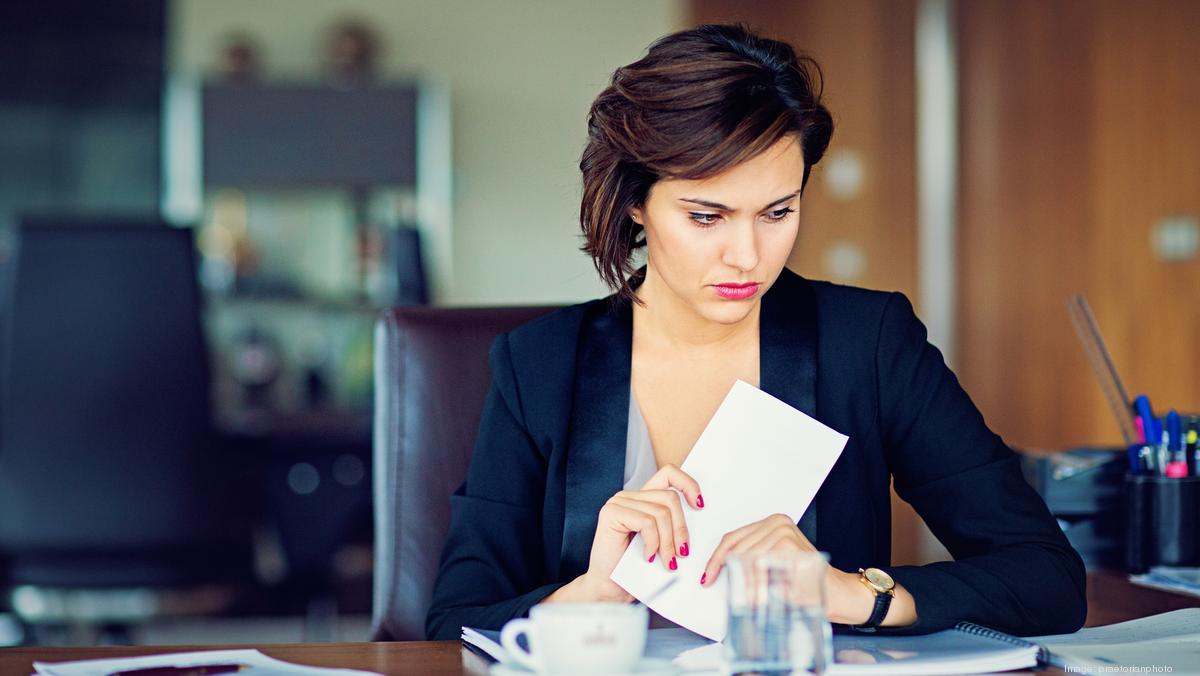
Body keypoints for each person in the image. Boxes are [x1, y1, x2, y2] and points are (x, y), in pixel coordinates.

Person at [425, 23, 1086, 641]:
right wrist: (595, 595)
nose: (748, 255)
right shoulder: (539, 363)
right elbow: (455, 619)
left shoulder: (868, 344)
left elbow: (1046, 578)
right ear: (634, 202)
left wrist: (850, 594)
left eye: (777, 211)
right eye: (707, 216)